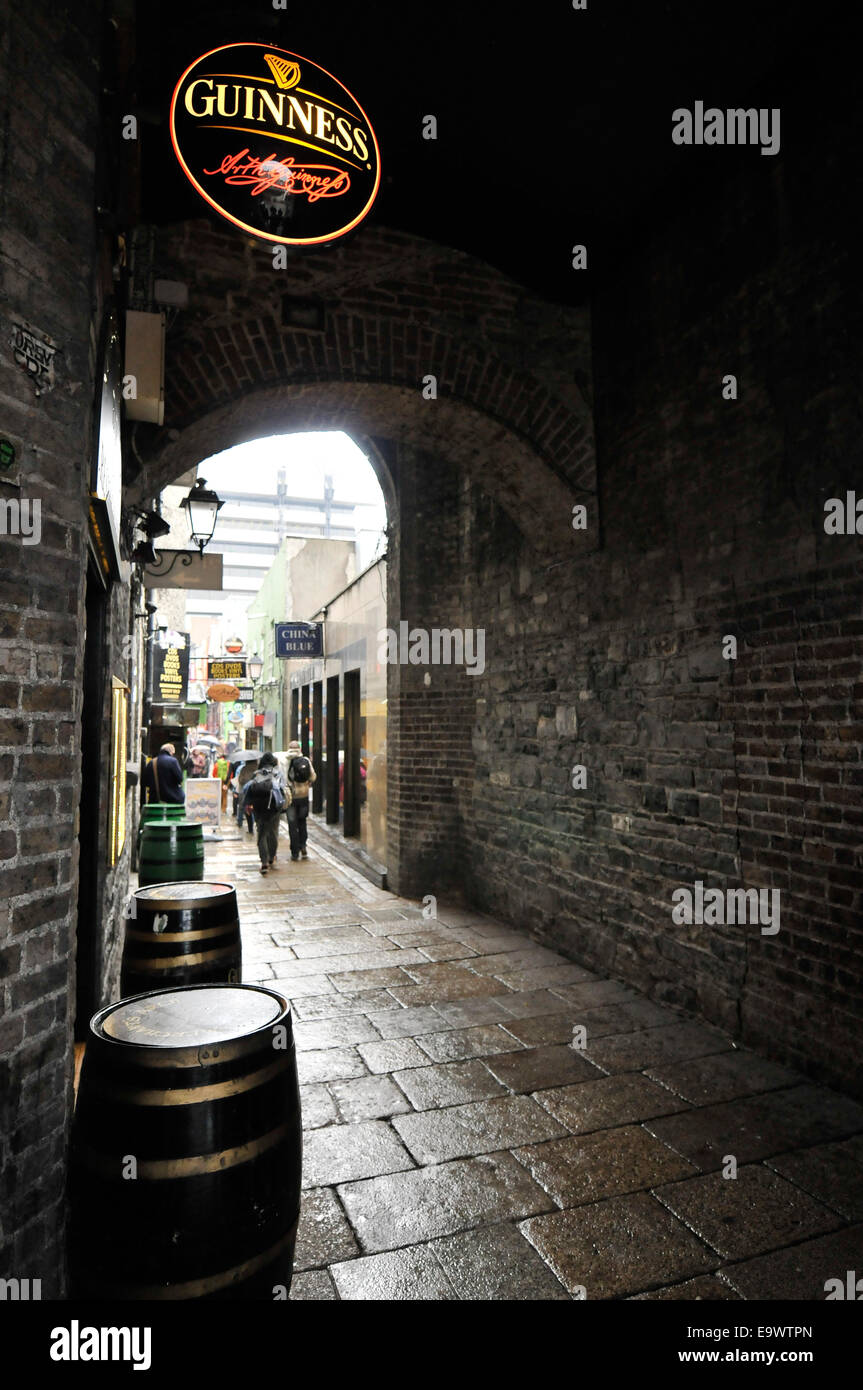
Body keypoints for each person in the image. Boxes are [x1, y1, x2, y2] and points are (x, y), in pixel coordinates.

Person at [241, 752, 288, 874]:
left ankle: (264, 862)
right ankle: (272, 856)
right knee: (273, 832)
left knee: (261, 833)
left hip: (258, 809)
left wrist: (247, 805)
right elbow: (283, 789)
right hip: (273, 809)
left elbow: (247, 790)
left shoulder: (256, 774)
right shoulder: (277, 774)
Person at [285, 739, 316, 861]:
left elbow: (283, 778)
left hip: (291, 797)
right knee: (302, 822)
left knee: (292, 825)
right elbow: (313, 776)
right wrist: (307, 783)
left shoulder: (286, 761)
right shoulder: (306, 760)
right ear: (299, 749)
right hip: (303, 796)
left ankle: (294, 852)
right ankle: (303, 846)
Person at [234, 757, 259, 835]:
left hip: (245, 792)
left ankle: (247, 826)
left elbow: (240, 780)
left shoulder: (244, 768)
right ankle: (258, 826)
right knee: (256, 809)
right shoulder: (258, 768)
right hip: (256, 791)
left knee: (245, 808)